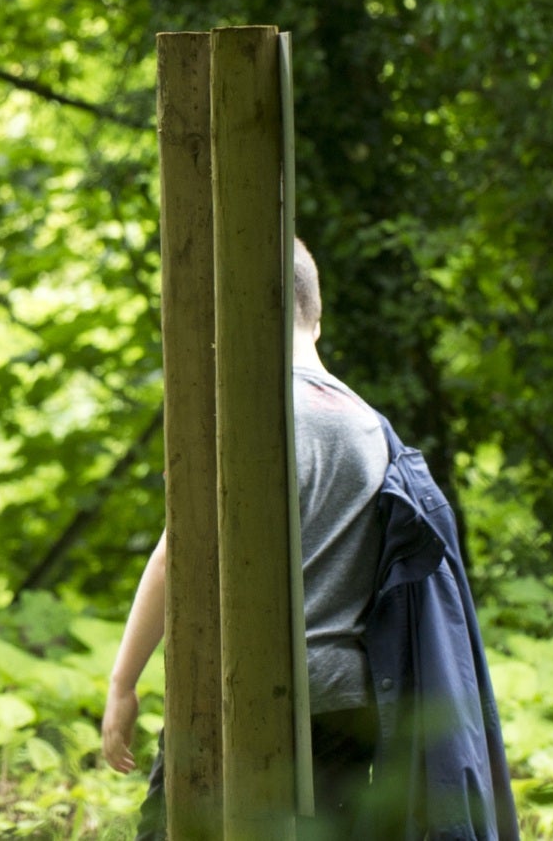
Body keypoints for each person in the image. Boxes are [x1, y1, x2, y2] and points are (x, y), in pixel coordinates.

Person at [102, 242, 515, 841]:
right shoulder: (373, 427)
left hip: (242, 693)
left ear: (234, 311)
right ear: (316, 315)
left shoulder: (248, 417)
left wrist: (122, 684)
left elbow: (176, 556)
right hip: (348, 699)